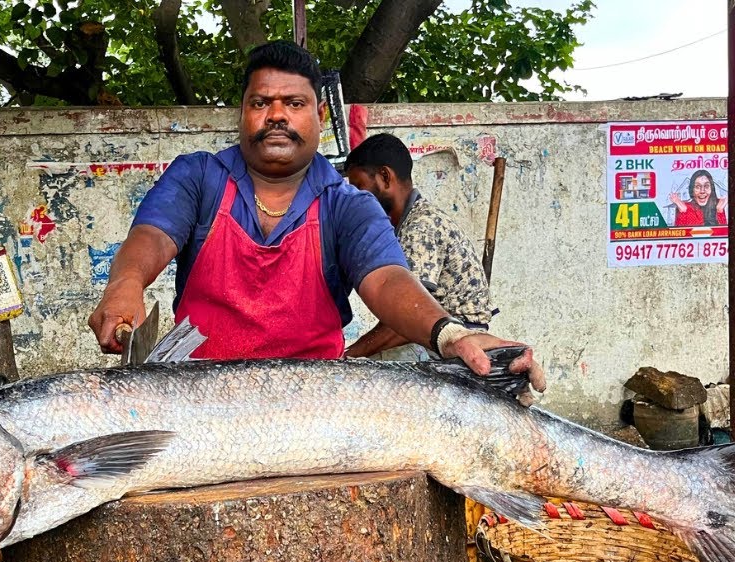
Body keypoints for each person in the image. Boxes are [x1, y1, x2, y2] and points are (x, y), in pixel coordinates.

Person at [87, 40, 543, 393]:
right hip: (198, 395)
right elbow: (153, 235)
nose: (276, 115)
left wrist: (449, 334)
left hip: (315, 400)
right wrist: (125, 284)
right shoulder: (198, 177)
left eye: (294, 103)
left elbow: (387, 279)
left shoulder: (349, 205)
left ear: (319, 115)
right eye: (260, 103)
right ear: (242, 112)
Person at [341, 132, 492, 360]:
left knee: (357, 375)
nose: (356, 199)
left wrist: (348, 357)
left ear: (385, 177)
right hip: (437, 336)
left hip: (452, 340)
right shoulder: (407, 223)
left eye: (359, 187)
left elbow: (409, 315)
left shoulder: (420, 226)